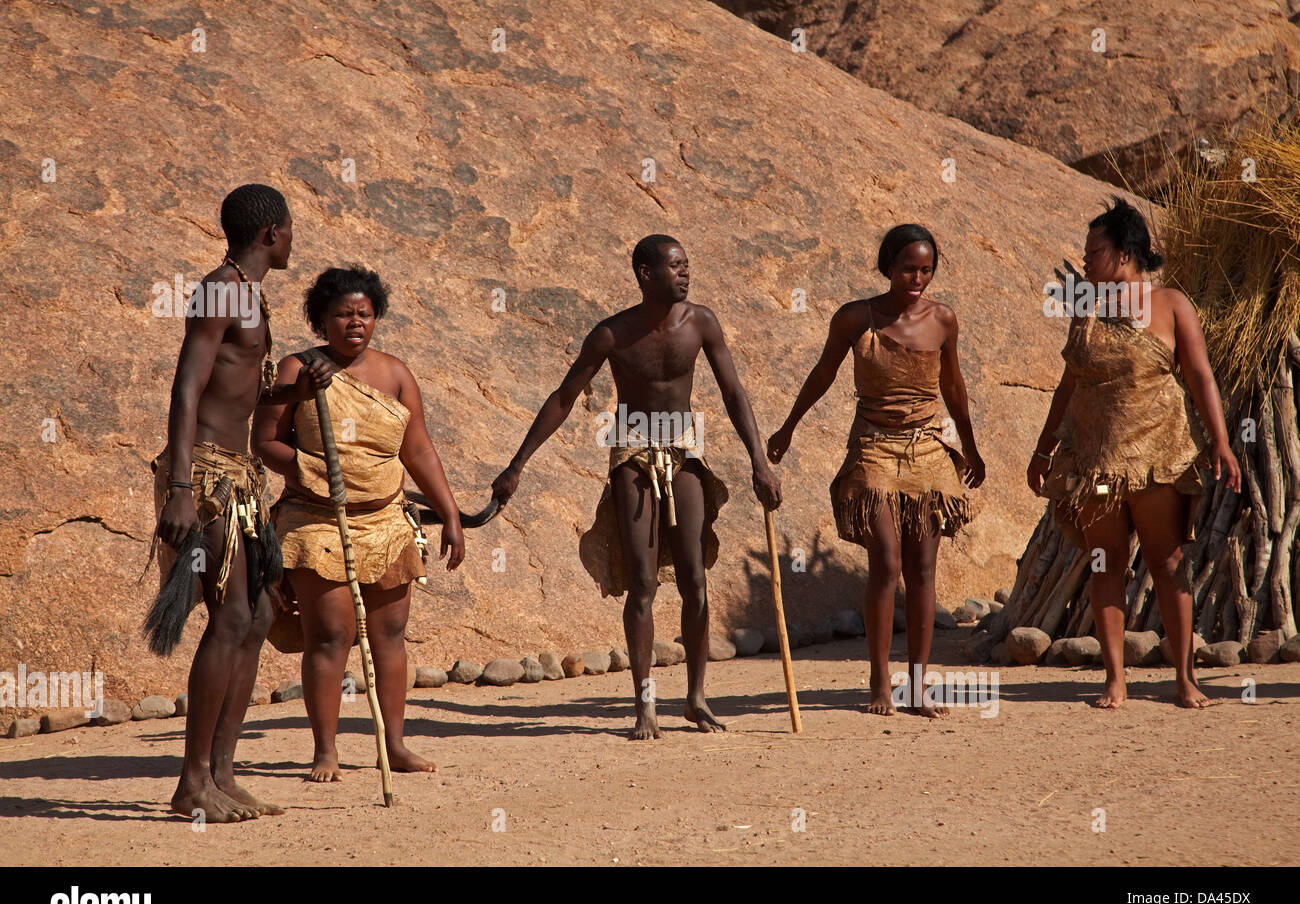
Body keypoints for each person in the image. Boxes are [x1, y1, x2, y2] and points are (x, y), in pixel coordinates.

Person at [491, 235, 782, 739]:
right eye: (674, 267)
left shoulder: (702, 322)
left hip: (687, 447)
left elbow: (733, 392)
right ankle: (645, 703)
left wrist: (760, 461)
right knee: (643, 582)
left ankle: (695, 698)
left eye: (687, 265)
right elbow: (564, 398)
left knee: (695, 578)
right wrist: (517, 464)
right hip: (631, 449)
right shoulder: (613, 333)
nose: (685, 274)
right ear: (646, 274)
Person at [149, 183, 331, 823]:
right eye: (290, 230)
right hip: (205, 478)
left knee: (254, 618)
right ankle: (191, 783)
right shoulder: (222, 290)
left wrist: (300, 387)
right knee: (229, 621)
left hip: (239, 476)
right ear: (270, 234)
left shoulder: (247, 295)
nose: (292, 240)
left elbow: (241, 395)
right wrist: (177, 486)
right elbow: (187, 387)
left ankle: (222, 771)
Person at [252, 266, 464, 780]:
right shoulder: (296, 370)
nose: (354, 323)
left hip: (387, 519)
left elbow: (418, 449)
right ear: (321, 319)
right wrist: (313, 468)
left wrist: (451, 516)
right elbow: (264, 442)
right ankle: (326, 750)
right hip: (317, 520)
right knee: (331, 635)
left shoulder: (394, 373)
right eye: (343, 314)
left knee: (391, 635)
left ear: (376, 318)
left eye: (363, 314)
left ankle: (393, 746)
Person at [1028, 198, 1240, 709]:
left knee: (1168, 564)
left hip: (1157, 456)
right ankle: (1115, 679)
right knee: (1106, 564)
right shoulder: (1086, 308)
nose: (1085, 261)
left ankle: (1185, 678)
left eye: (1094, 251)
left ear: (1124, 254)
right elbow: (1067, 384)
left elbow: (1199, 376)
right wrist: (1043, 447)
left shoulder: (1170, 304)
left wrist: (1223, 442)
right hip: (1095, 461)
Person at [768, 224, 984, 717]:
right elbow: (823, 372)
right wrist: (788, 428)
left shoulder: (944, 319)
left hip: (929, 448)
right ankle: (880, 682)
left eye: (927, 269)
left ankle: (920, 685)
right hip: (873, 447)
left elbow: (954, 388)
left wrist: (970, 449)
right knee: (886, 561)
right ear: (887, 266)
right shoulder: (855, 318)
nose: (917, 278)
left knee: (923, 568)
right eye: (908, 267)